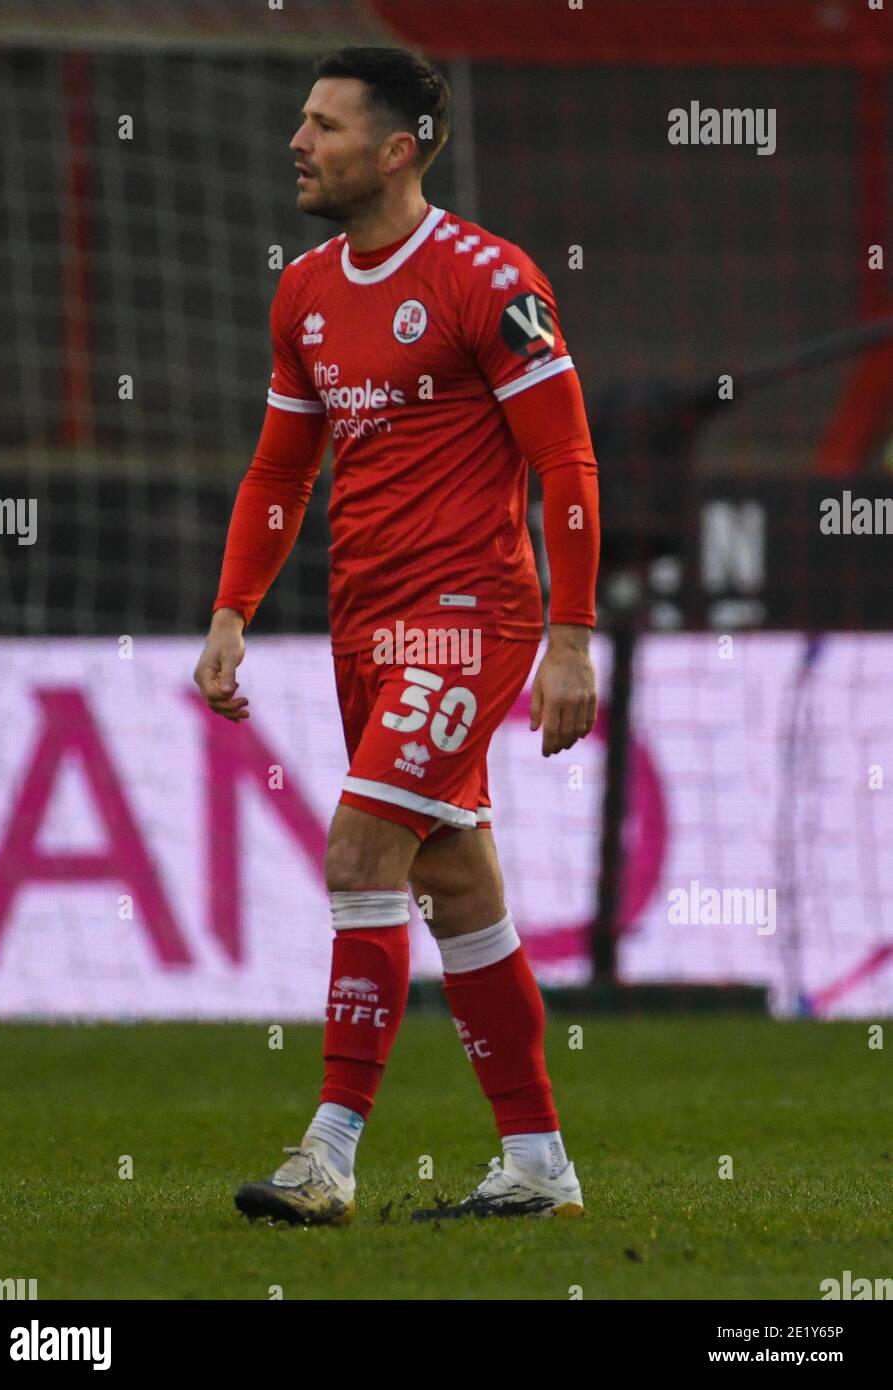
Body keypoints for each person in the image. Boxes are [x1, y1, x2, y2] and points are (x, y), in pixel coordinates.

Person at [193, 46, 600, 1224]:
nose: (298, 141)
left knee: (361, 854)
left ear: (397, 147)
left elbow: (563, 460)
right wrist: (232, 610)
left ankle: (326, 1159)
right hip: (363, 625)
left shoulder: (489, 279)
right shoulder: (307, 291)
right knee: (454, 879)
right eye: (301, 121)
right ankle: (538, 1164)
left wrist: (569, 637)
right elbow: (281, 467)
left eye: (323, 124)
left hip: (473, 619)